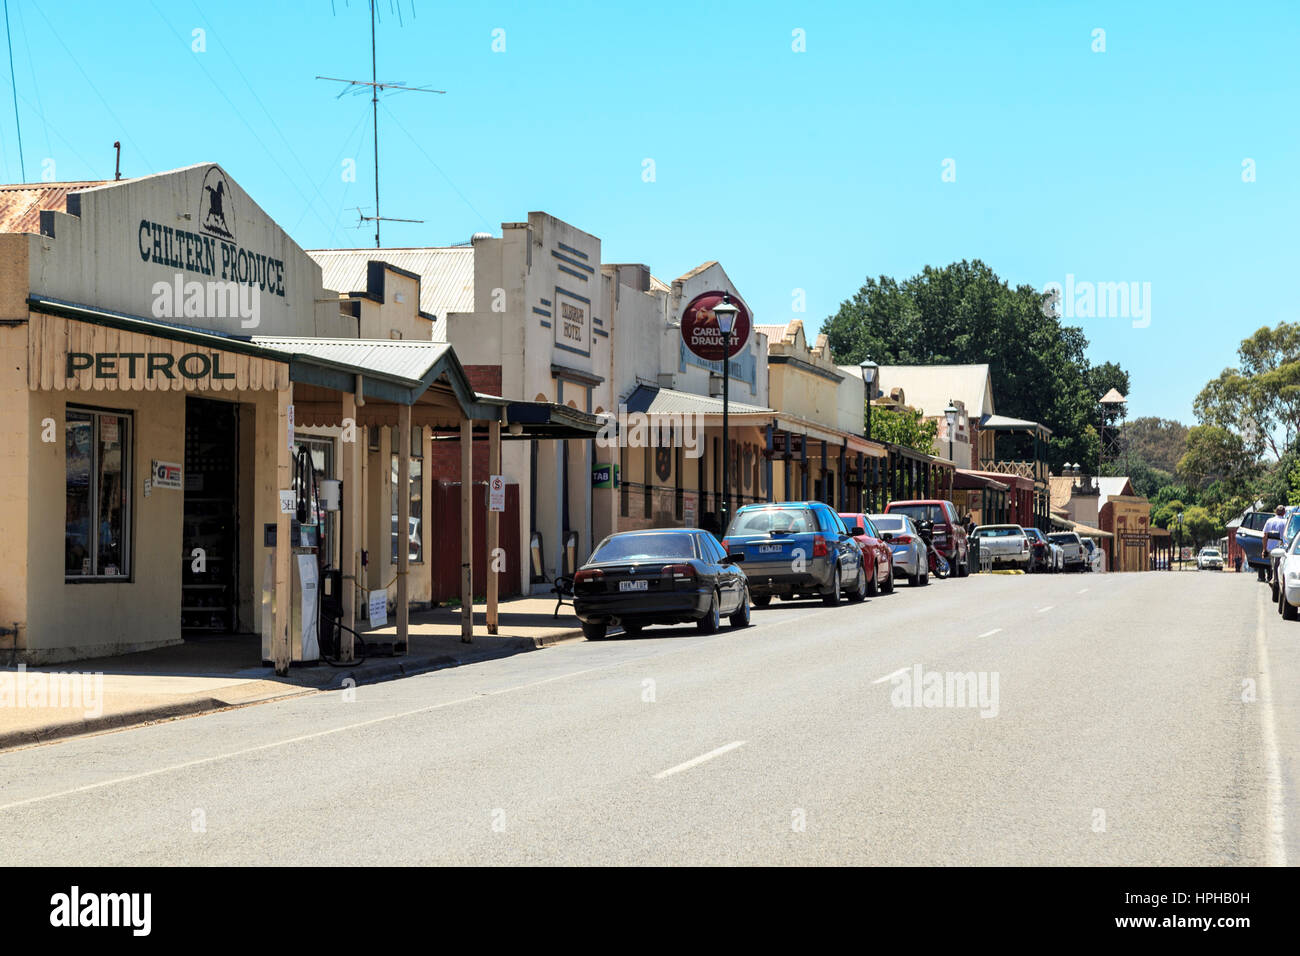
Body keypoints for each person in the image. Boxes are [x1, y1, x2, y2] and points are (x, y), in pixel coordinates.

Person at [1262, 505, 1287, 581]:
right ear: (1284, 513)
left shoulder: (1269, 521)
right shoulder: (1286, 521)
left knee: (1274, 566)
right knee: (1281, 566)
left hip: (1271, 549)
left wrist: (1264, 549)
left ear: (1276, 512)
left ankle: (1274, 579)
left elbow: (1264, 536)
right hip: (1283, 549)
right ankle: (1277, 580)